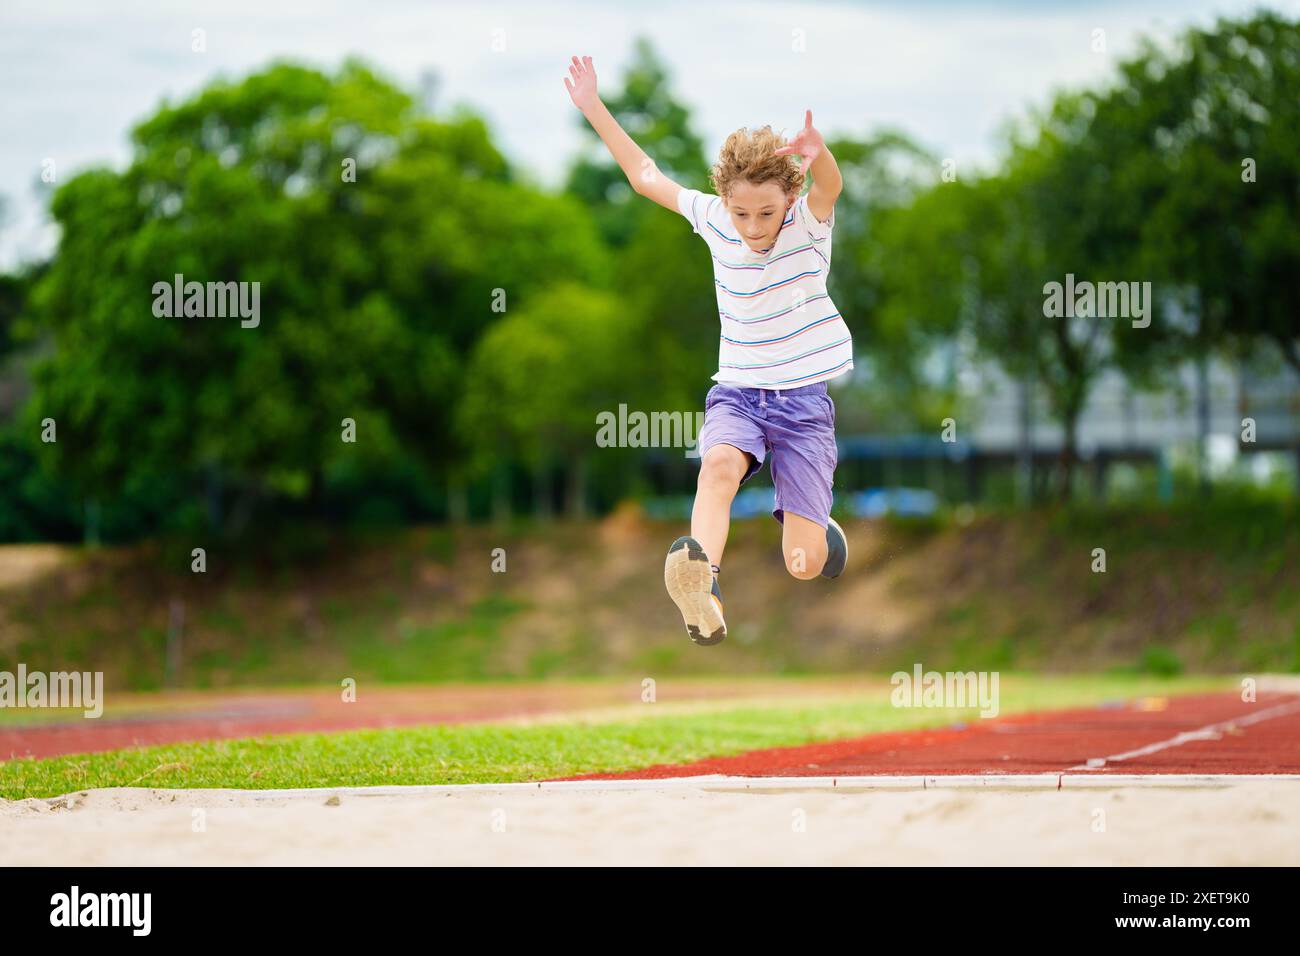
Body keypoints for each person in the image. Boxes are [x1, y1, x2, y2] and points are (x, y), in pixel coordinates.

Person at [565, 55, 851, 646]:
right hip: (739, 392)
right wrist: (593, 106)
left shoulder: (809, 223)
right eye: (742, 211)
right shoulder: (716, 219)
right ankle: (703, 586)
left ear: (788, 199)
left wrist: (818, 151)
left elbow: (830, 185)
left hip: (802, 405)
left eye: (766, 212)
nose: (752, 225)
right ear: (725, 201)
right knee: (718, 468)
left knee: (801, 563)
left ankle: (821, 534)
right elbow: (645, 176)